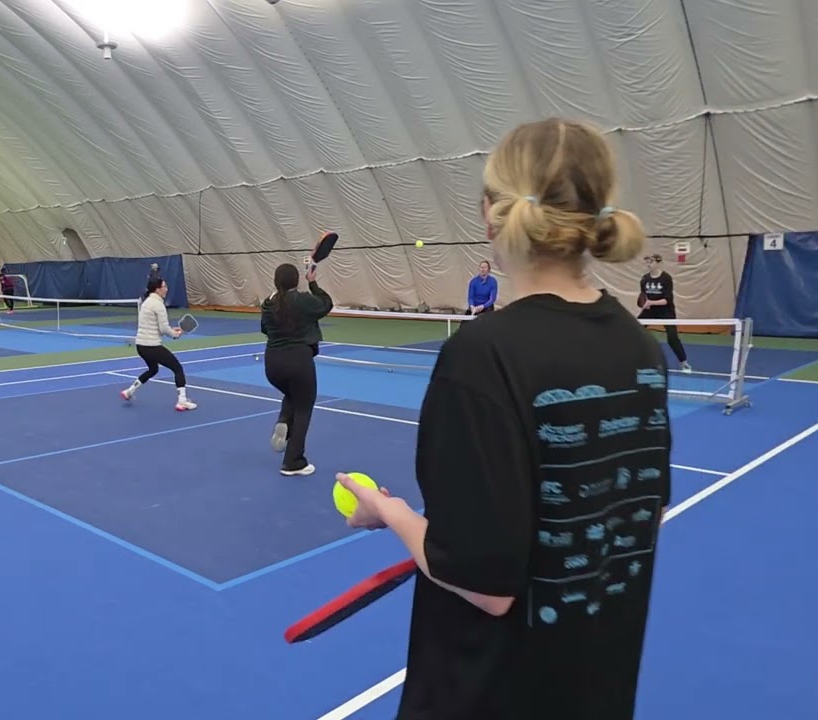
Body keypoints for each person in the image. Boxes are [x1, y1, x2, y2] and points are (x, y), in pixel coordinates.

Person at [338, 118, 672, 719]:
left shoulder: (482, 357)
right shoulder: (641, 348)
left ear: (488, 213)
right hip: (599, 684)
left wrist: (386, 510)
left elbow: (485, 586)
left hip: (490, 692)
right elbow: (641, 514)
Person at [260, 262, 332, 476]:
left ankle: (284, 421)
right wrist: (313, 283)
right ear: (296, 280)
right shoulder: (303, 301)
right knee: (304, 407)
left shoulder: (268, 303)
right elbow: (326, 304)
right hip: (298, 361)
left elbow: (265, 329)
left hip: (272, 365)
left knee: (293, 395)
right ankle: (293, 461)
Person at [120, 277, 195, 411]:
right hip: (152, 346)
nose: (166, 289)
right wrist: (175, 334)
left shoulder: (147, 302)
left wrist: (171, 329)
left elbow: (156, 326)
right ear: (157, 289)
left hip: (141, 346)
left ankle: (129, 391)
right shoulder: (158, 304)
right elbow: (163, 329)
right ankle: (182, 401)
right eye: (164, 286)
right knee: (177, 368)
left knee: (153, 369)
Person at [639, 254, 691, 373]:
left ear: (658, 262)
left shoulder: (666, 278)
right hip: (650, 310)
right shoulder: (644, 279)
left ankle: (684, 363)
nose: (648, 264)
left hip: (666, 311)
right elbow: (643, 297)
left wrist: (650, 302)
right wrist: (644, 303)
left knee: (672, 337)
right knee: (636, 331)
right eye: (646, 262)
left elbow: (667, 300)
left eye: (650, 262)